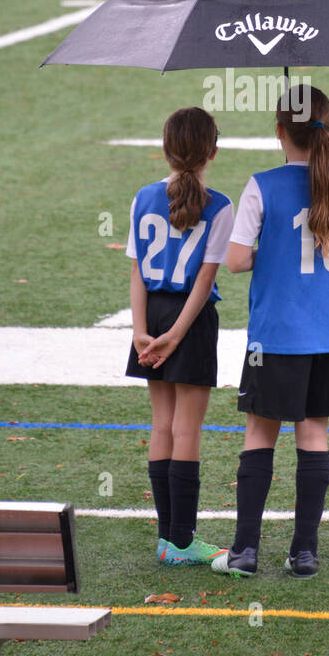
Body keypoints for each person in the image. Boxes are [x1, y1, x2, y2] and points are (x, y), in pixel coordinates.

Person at [213, 85, 329, 580]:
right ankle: (304, 552)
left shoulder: (263, 184)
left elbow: (236, 260)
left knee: (260, 432)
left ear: (280, 131)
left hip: (276, 337)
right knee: (315, 434)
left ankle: (244, 550)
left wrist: (276, 252)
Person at [125, 106, 234, 566]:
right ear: (213, 151)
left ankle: (169, 538)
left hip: (152, 315)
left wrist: (141, 331)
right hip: (189, 318)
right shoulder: (221, 205)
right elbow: (205, 282)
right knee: (186, 427)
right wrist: (176, 335)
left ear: (166, 150)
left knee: (162, 424)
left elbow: (136, 273)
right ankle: (183, 542)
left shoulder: (142, 196)